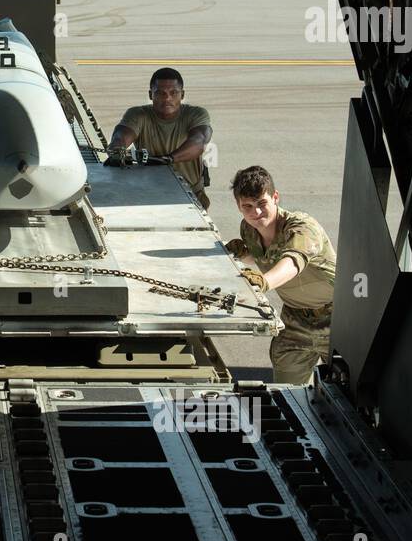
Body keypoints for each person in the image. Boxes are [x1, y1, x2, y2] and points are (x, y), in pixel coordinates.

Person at [226, 165, 336, 385]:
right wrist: (243, 253)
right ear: (238, 206)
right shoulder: (249, 230)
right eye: (247, 206)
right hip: (295, 322)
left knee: (354, 397)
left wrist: (264, 282)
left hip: (339, 320)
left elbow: (293, 261)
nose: (256, 213)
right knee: (287, 393)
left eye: (262, 203)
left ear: (275, 197)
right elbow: (263, 257)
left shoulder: (302, 227)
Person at [109, 67, 214, 208]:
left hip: (190, 195)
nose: (167, 98)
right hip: (150, 194)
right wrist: (117, 149)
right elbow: (122, 135)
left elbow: (199, 140)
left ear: (182, 95)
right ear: (151, 95)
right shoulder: (137, 115)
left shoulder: (196, 114)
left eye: (174, 93)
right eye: (160, 93)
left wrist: (170, 159)